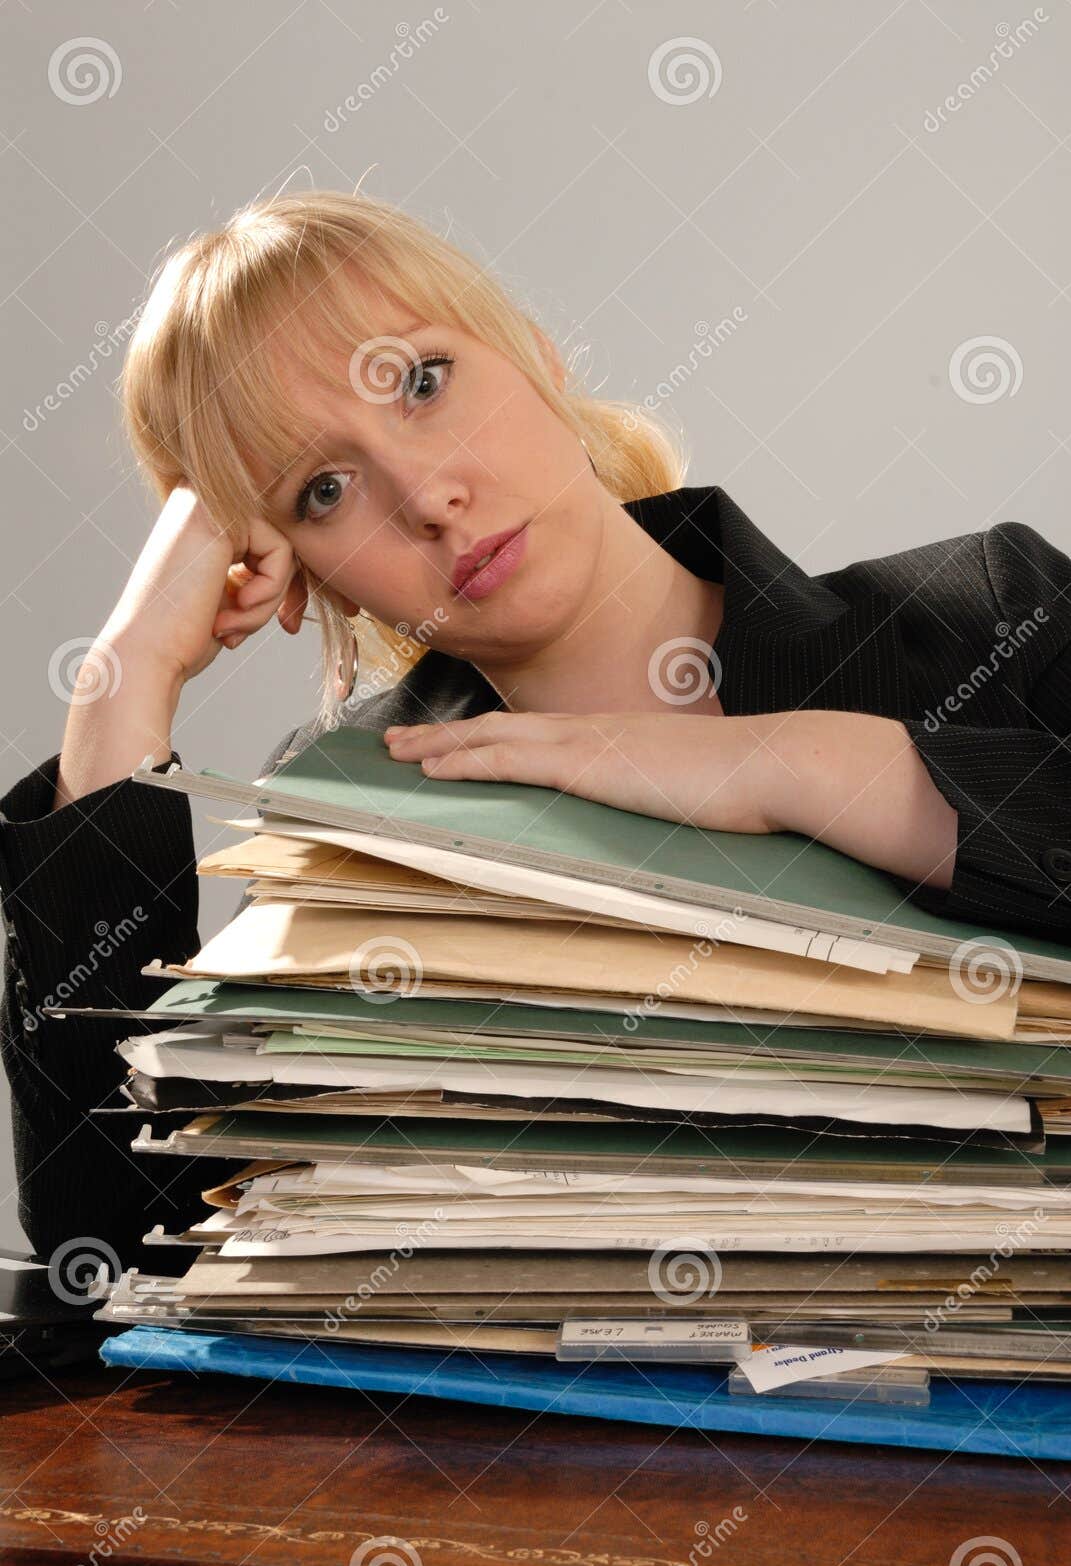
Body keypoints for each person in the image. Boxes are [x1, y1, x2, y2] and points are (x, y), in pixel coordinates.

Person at [2, 187, 1070, 1278]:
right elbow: (121, 1246)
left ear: (538, 354)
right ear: (297, 571)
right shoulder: (349, 826)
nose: (425, 495)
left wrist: (795, 770)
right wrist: (121, 686)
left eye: (422, 381)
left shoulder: (991, 615)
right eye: (323, 490)